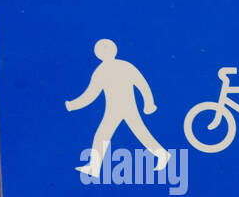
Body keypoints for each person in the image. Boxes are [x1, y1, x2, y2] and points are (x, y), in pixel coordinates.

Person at [66, 38, 169, 176]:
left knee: (108, 135)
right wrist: (149, 103)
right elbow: (142, 85)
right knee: (127, 134)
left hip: (122, 108)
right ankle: (162, 154)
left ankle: (94, 167)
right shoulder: (118, 67)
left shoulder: (106, 70)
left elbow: (91, 95)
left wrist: (72, 105)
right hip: (117, 109)